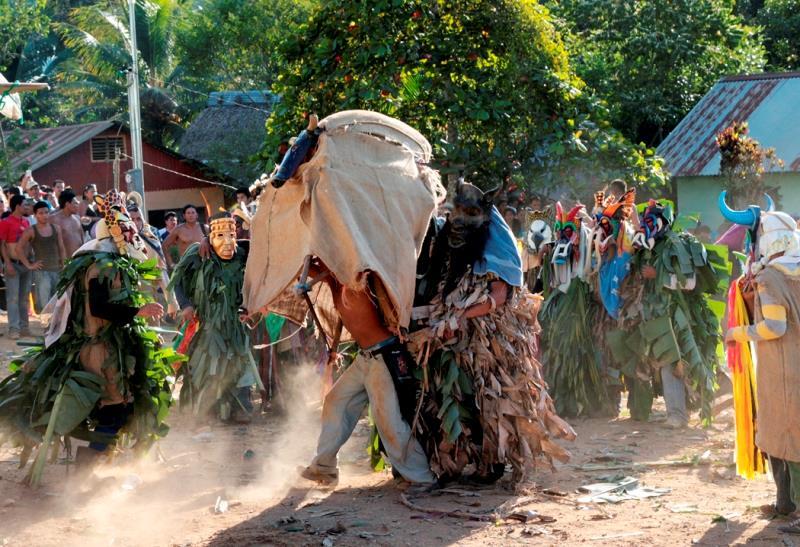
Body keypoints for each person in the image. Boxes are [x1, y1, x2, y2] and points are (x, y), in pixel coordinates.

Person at [410, 180, 575, 484]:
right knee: (456, 397)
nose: (460, 220)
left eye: (469, 213)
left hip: (492, 342)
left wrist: (462, 315)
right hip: (454, 336)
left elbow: (499, 296)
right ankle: (459, 460)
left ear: (483, 214)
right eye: (457, 212)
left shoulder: (497, 240)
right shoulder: (446, 239)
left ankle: (492, 465)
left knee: (491, 400)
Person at [0, 190, 171, 483]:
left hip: (102, 346)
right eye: (127, 229)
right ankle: (86, 470)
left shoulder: (103, 262)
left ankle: (99, 461)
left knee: (120, 405)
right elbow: (99, 307)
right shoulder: (102, 266)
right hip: (99, 350)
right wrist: (137, 311)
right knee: (115, 406)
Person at [721, 194, 800, 530]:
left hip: (783, 371)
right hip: (787, 368)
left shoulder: (771, 277)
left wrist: (738, 332)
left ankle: (792, 507)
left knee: (788, 438)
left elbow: (774, 327)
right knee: (782, 436)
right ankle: (785, 504)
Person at [169, 213, 261, 423]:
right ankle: (208, 410)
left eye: (231, 234)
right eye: (220, 235)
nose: (227, 242)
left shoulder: (244, 251)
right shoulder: (198, 253)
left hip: (236, 324)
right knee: (208, 364)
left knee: (239, 360)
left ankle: (240, 407)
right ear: (210, 235)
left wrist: (254, 305)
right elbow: (178, 281)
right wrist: (186, 305)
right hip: (208, 325)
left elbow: (264, 250)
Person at [16, 201, 66, 312]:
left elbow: (61, 248)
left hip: (57, 270)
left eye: (47, 212)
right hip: (42, 272)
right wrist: (29, 265)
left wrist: (65, 264)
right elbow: (18, 248)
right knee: (45, 304)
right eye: (41, 213)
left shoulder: (56, 228)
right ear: (35, 215)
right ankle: (46, 328)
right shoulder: (31, 230)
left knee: (59, 303)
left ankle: (56, 328)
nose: (44, 215)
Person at [0, 195, 34, 338]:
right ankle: (14, 328)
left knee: (24, 297)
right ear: (17, 206)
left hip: (26, 263)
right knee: (13, 298)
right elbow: (2, 245)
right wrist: (7, 263)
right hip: (13, 264)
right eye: (24, 205)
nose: (27, 207)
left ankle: (24, 327)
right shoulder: (5, 222)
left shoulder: (26, 222)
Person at [162, 205, 208, 269]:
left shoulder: (205, 228)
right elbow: (164, 245)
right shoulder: (178, 229)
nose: (191, 215)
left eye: (193, 212)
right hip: (186, 266)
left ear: (197, 215)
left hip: (204, 265)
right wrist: (171, 264)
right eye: (188, 213)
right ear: (184, 216)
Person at [50, 189, 85, 258]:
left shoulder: (77, 218)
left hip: (78, 260)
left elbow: (82, 238)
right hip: (63, 263)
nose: (78, 205)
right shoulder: (53, 219)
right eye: (75, 203)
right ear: (67, 204)